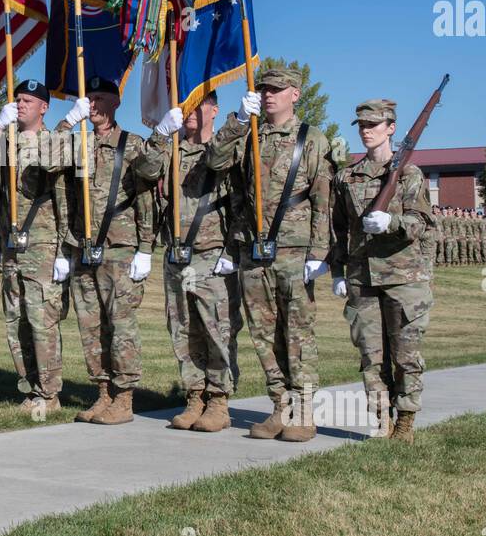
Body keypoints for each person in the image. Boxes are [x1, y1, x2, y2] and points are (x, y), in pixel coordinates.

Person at [206, 67, 333, 442]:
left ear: (295, 93)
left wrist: (320, 251)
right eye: (263, 88)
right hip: (252, 249)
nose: (268, 94)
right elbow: (215, 162)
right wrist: (238, 120)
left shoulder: (311, 139)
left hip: (294, 251)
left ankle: (304, 411)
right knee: (263, 335)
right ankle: (280, 406)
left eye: (277, 89)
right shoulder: (247, 136)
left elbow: (323, 198)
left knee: (297, 334)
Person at [330, 99, 436, 443]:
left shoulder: (409, 174)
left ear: (391, 128)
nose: (366, 131)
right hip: (363, 278)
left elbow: (422, 223)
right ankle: (380, 420)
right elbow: (338, 229)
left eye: (373, 125)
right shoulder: (347, 177)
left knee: (406, 355)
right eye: (361, 126)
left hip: (404, 277)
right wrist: (337, 272)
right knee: (371, 356)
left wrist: (392, 222)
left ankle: (405, 421)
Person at [51, 76, 156, 425]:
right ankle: (103, 393)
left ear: (115, 102)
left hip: (120, 247)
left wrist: (145, 247)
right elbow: (43, 156)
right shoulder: (77, 143)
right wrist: (68, 121)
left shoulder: (132, 144)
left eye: (98, 98)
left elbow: (147, 194)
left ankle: (124, 398)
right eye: (87, 99)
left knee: (121, 325)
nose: (91, 105)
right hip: (83, 247)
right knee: (90, 326)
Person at [143, 92, 242, 432]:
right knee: (182, 330)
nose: (190, 112)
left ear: (215, 109)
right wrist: (159, 134)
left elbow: (241, 203)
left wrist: (232, 252)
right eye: (186, 104)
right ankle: (195, 394)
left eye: (199, 104)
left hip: (212, 253)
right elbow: (144, 169)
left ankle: (218, 401)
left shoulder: (227, 148)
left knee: (217, 330)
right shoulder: (172, 148)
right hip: (175, 254)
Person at [0, 80, 69, 412]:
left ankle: (49, 392)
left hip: (43, 243)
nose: (22, 104)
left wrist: (65, 251)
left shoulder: (55, 141)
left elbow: (54, 165)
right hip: (11, 244)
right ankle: (29, 387)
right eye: (18, 100)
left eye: (29, 100)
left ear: (44, 107)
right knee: (15, 319)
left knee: (42, 319)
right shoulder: (6, 142)